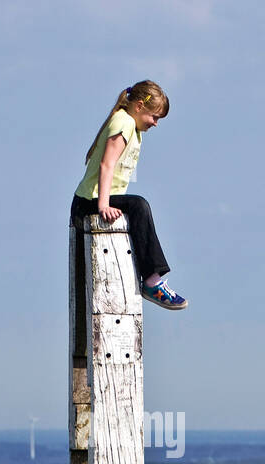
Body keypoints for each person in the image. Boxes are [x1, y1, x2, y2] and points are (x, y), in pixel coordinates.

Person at [69, 80, 187, 310]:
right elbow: (106, 164)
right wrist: (103, 205)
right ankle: (152, 282)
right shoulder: (123, 122)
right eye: (154, 117)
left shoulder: (132, 127)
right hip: (88, 202)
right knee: (139, 205)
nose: (155, 123)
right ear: (139, 106)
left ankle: (148, 277)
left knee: (136, 208)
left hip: (98, 198)